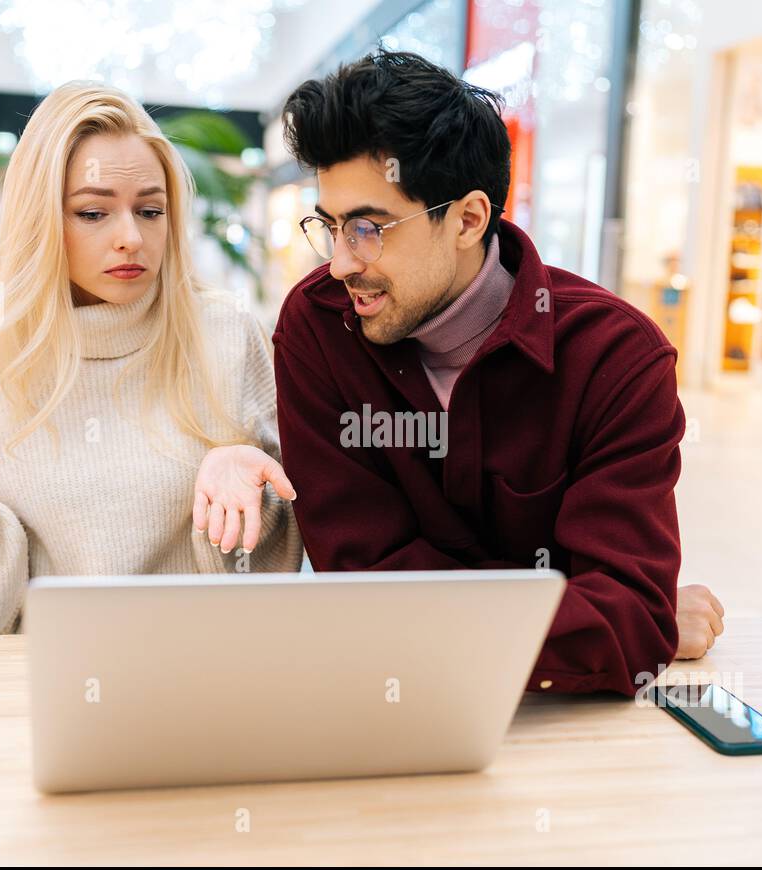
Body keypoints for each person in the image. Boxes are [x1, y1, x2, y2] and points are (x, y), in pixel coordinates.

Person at [272, 51, 723, 694]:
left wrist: (625, 624)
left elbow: (626, 612)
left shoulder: (615, 358)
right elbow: (365, 583)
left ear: (469, 219)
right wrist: (588, 629)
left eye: (369, 229)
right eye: (331, 226)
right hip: (399, 710)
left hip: (574, 745)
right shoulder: (319, 331)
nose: (341, 263)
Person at [0, 82, 301, 636]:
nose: (131, 238)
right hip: (41, 680)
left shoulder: (227, 332)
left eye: (150, 210)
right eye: (93, 213)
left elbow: (270, 581)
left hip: (208, 671)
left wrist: (249, 501)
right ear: (41, 218)